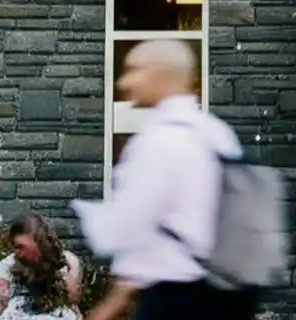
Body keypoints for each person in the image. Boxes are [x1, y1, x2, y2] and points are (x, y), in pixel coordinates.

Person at [71, 39, 252, 320]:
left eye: (133, 70)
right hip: (223, 292)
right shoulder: (218, 134)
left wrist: (112, 306)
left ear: (159, 73)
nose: (124, 81)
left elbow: (131, 228)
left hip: (174, 299)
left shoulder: (158, 141)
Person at [0, 214, 82, 320]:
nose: (17, 253)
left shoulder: (68, 262)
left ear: (38, 242)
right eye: (15, 247)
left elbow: (73, 300)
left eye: (20, 247)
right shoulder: (8, 265)